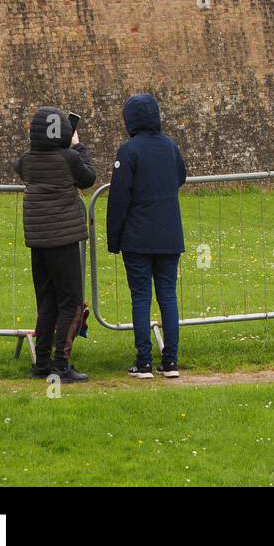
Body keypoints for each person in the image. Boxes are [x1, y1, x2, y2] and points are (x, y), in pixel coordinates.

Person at [106, 93, 188, 379]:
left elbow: (119, 197)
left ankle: (143, 361)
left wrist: (113, 238)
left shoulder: (129, 151)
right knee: (168, 297)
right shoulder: (170, 146)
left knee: (141, 298)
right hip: (169, 234)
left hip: (138, 236)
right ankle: (171, 361)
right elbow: (181, 176)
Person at [14, 107, 96, 383]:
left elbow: (23, 166)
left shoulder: (27, 161)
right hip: (64, 238)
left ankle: (42, 364)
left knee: (47, 302)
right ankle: (61, 364)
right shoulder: (69, 158)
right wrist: (77, 145)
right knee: (71, 301)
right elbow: (88, 177)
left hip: (39, 241)